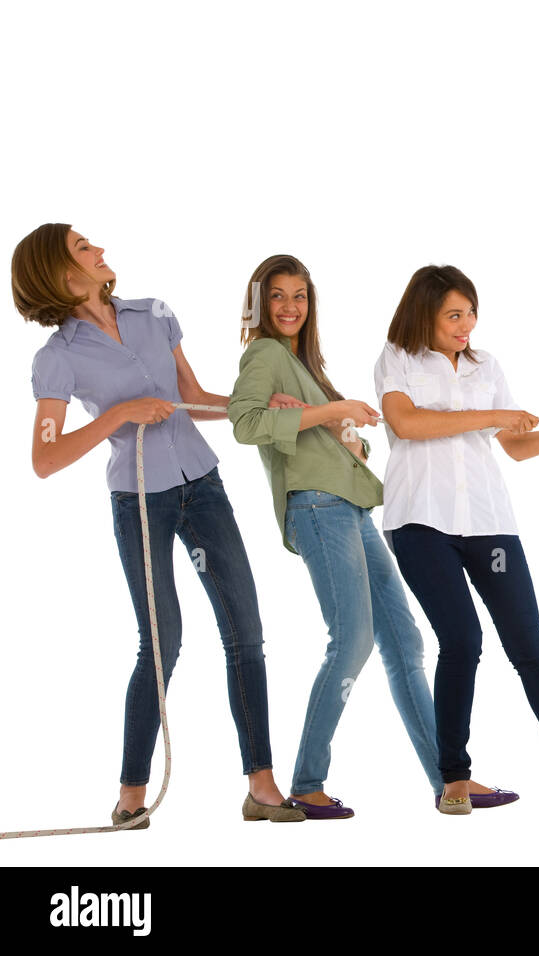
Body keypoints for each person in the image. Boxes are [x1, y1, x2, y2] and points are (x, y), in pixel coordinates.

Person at [16, 224, 305, 825]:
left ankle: (262, 785)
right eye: (81, 248)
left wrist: (252, 406)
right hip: (138, 499)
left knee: (244, 631)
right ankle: (130, 796)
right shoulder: (58, 359)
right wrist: (118, 415)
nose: (98, 249)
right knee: (161, 643)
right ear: (61, 274)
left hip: (203, 485)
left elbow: (194, 396)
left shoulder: (153, 314)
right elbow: (45, 460)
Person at [228, 255, 515, 818]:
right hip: (316, 507)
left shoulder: (299, 362)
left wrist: (342, 435)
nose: (290, 307)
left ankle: (448, 781)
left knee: (404, 643)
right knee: (353, 640)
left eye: (300, 297)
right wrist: (332, 409)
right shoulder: (263, 353)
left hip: (351, 505)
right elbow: (245, 421)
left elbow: (303, 427)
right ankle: (306, 784)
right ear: (260, 304)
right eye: (279, 297)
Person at [376, 264, 539, 814]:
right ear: (426, 314)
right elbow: (407, 423)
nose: (466, 326)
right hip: (419, 521)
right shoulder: (396, 356)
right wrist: (495, 415)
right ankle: (454, 781)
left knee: (531, 648)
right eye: (453, 316)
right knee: (463, 640)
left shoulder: (486, 364)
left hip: (489, 522)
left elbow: (516, 445)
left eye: (470, 314)